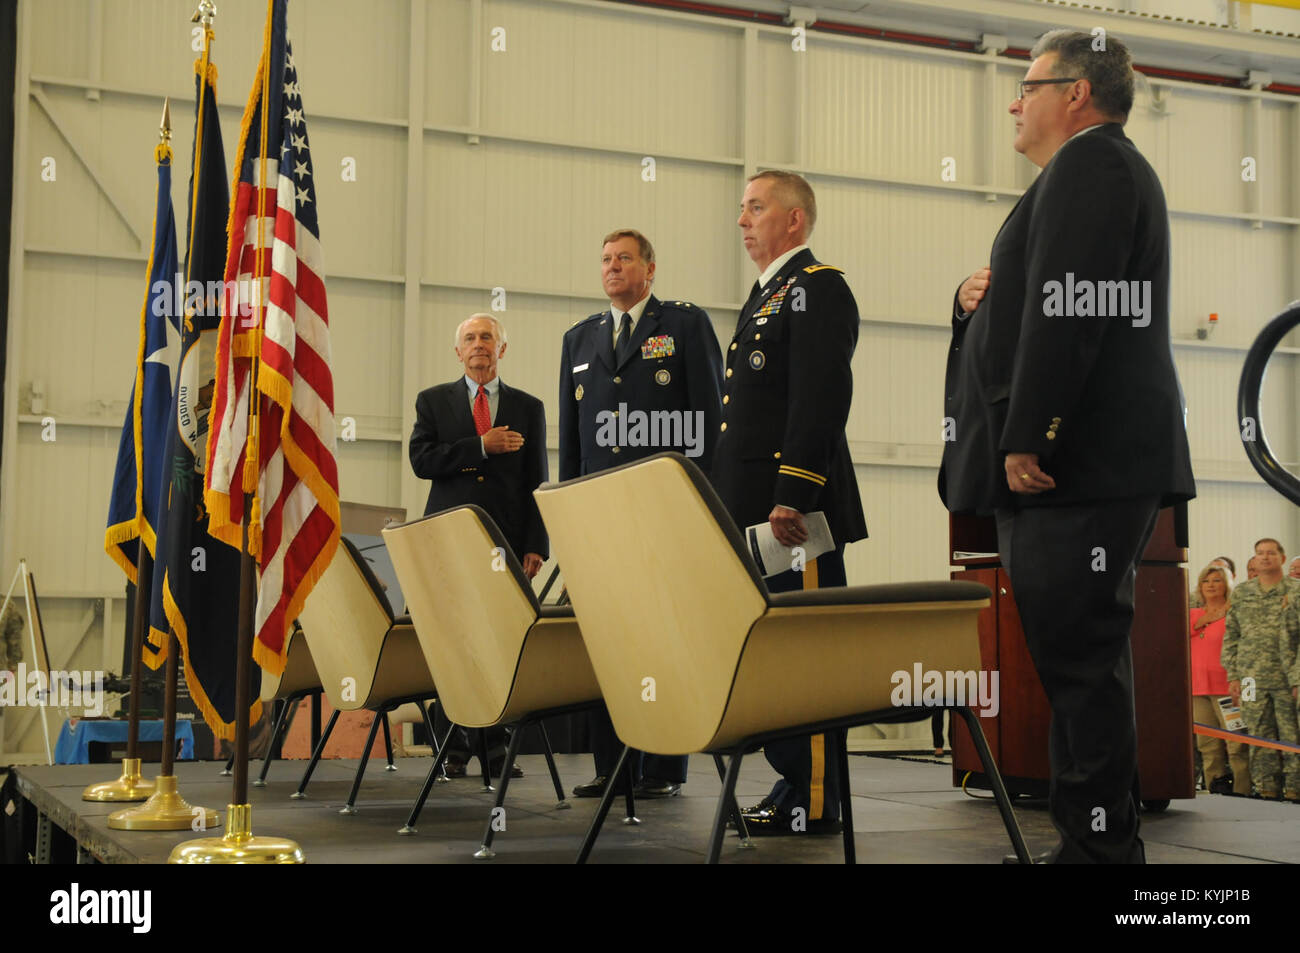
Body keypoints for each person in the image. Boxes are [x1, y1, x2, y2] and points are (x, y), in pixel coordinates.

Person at [938, 30, 1195, 863]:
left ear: (1076, 93)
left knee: (1079, 662)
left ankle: (1099, 851)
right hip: (1076, 464)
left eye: (1028, 85)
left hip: (1074, 462)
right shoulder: (1074, 177)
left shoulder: (1094, 165)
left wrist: (1029, 430)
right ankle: (1101, 842)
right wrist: (976, 297)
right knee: (1077, 660)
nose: (1015, 101)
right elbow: (1039, 299)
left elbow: (1072, 309)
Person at [711, 170, 868, 835]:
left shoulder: (817, 287)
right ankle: (793, 781)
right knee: (774, 650)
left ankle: (816, 796)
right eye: (741, 209)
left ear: (794, 220)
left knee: (804, 653)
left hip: (793, 515)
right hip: (756, 509)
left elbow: (819, 398)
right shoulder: (768, 295)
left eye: (755, 208)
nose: (742, 220)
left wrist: (793, 494)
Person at [558, 228, 723, 799]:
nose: (612, 267)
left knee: (663, 639)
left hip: (664, 512)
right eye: (605, 259)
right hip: (601, 519)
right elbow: (572, 444)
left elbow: (707, 420)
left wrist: (700, 506)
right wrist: (568, 518)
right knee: (609, 641)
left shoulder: (683, 325)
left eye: (624, 259)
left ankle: (662, 768)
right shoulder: (578, 340)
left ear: (650, 270)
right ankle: (614, 767)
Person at [409, 313, 548, 778]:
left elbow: (536, 481)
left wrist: (536, 544)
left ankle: (494, 748)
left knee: (497, 641)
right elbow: (421, 461)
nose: (478, 344)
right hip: (446, 541)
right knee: (453, 642)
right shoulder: (432, 402)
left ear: (502, 349)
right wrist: (481, 446)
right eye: (470, 338)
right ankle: (451, 743)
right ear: (458, 351)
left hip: (504, 542)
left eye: (487, 337)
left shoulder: (528, 407)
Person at [1221, 538, 1300, 801]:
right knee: (1258, 733)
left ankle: (1294, 788)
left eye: (1270, 553)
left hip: (1288, 677)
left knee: (1291, 735)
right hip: (1250, 679)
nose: (1264, 558)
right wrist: (1233, 675)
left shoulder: (1296, 591)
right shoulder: (1242, 592)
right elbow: (1231, 634)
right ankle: (1266, 788)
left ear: (1282, 557)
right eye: (1259, 554)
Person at [1189, 564, 1249, 796]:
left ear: (1226, 585)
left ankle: (1243, 792)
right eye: (1206, 581)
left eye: (1217, 580)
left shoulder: (1236, 612)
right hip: (1197, 690)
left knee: (1236, 745)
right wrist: (1206, 618)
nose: (1211, 585)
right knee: (1207, 747)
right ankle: (1216, 792)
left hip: (1227, 688)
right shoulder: (1192, 614)